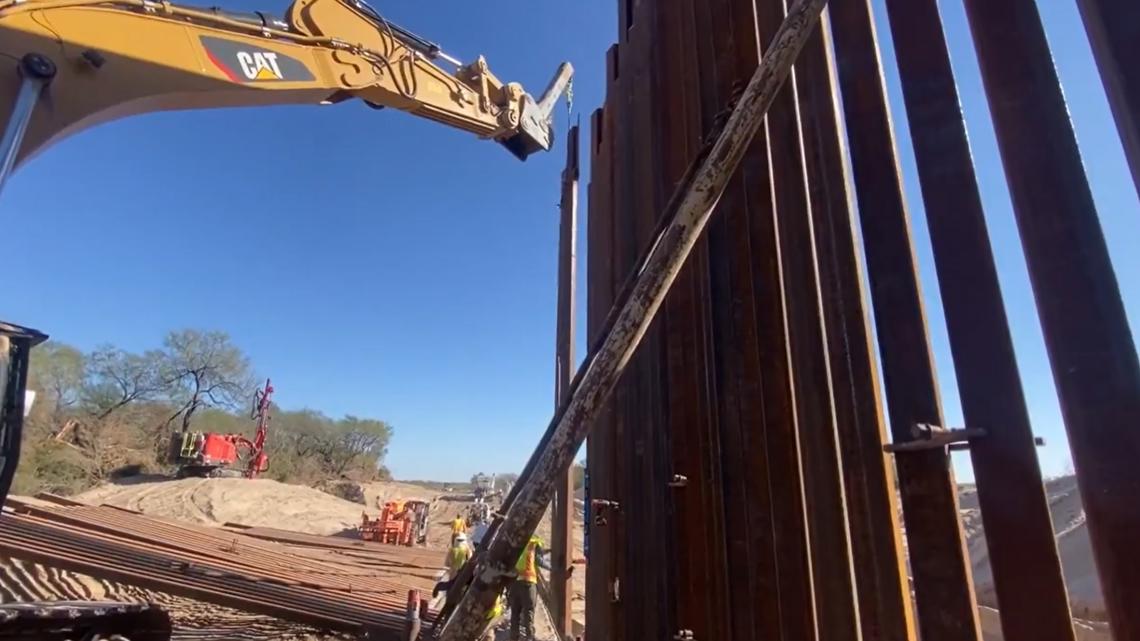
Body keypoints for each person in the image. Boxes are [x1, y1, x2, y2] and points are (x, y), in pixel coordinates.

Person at [509, 534, 548, 641]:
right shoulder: (534, 543)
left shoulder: (517, 540)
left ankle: (513, 638)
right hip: (528, 583)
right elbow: (539, 560)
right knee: (528, 613)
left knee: (515, 613)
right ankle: (529, 637)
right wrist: (554, 568)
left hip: (515, 582)